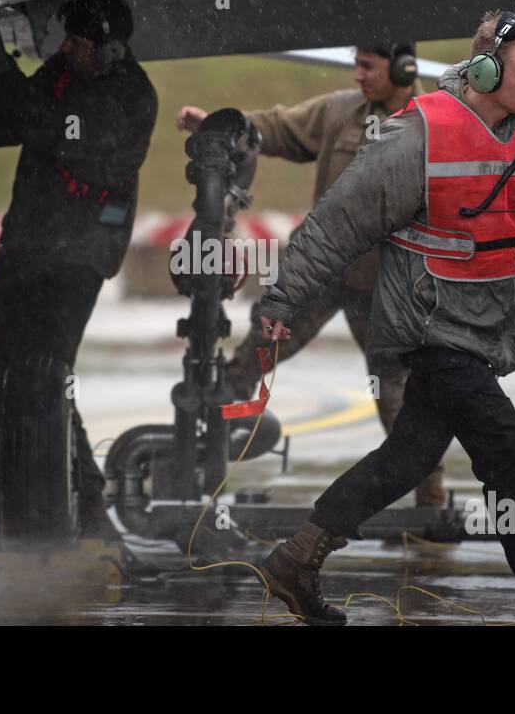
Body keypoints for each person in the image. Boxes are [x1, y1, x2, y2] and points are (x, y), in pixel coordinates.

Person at [253, 11, 515, 626]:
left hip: (486, 332)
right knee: (504, 449)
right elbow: (337, 223)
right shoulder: (419, 135)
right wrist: (281, 301)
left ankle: (296, 561)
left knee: (407, 459)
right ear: (484, 70)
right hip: (431, 329)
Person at [176, 43, 448, 506]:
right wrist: (223, 126)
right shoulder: (340, 112)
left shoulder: (434, 124)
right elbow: (279, 128)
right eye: (356, 64)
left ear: (403, 67)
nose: (358, 75)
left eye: (368, 66)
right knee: (252, 358)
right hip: (320, 273)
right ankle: (204, 467)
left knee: (398, 395)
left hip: (388, 285)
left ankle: (430, 500)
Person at [0, 0, 158, 542]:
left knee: (43, 376)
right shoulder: (64, 73)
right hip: (29, 245)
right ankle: (16, 507)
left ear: (112, 49)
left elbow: (45, 124)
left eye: (79, 42)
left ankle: (88, 511)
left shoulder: (130, 97)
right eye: (67, 40)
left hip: (77, 257)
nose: (69, 50)